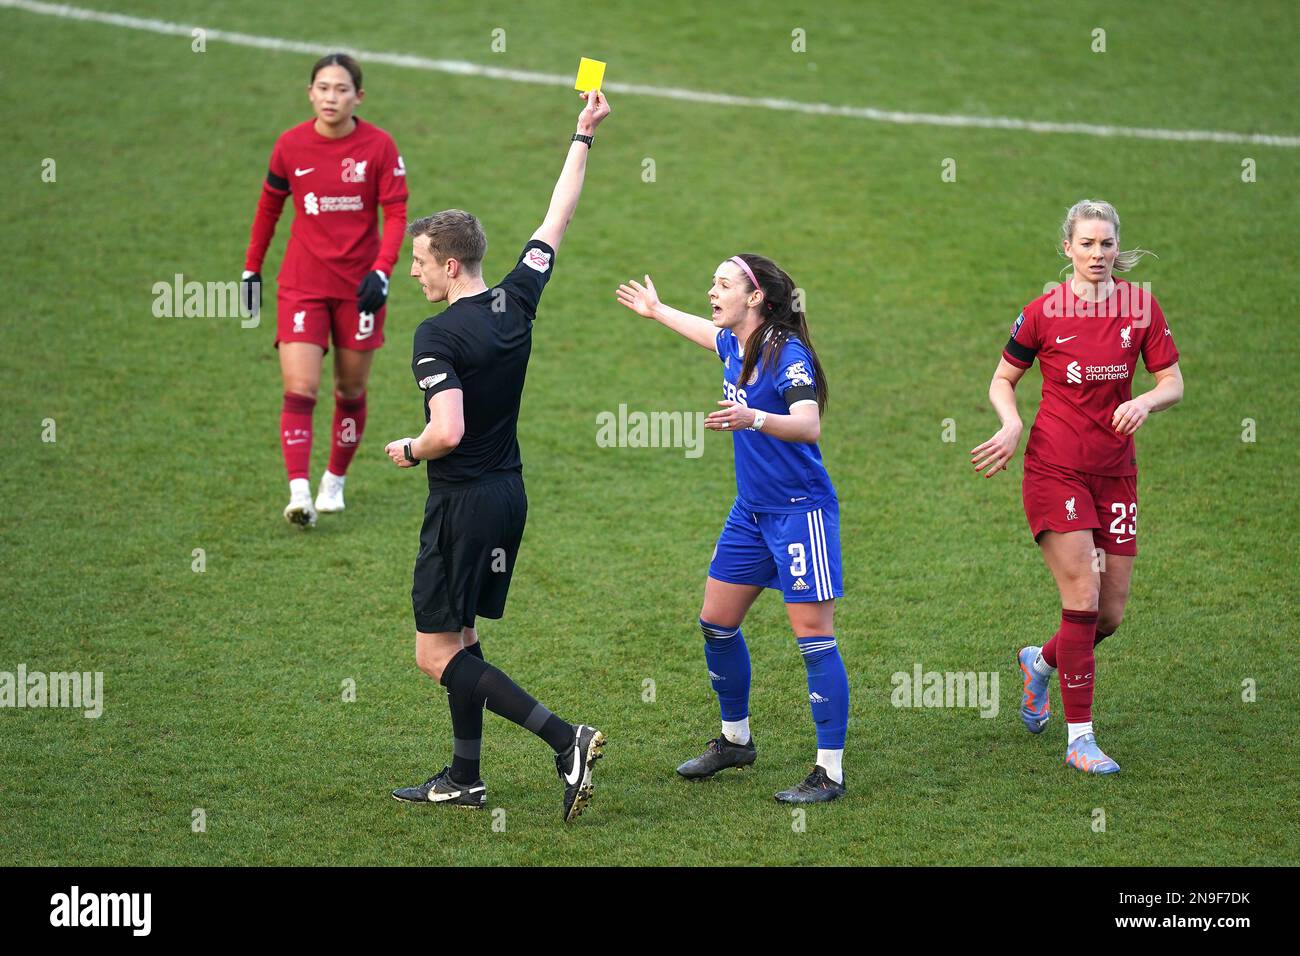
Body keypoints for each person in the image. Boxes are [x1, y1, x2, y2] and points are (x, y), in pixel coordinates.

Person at [384, 90, 612, 823]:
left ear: (450, 266)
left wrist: (409, 448)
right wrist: (582, 136)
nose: (413, 272)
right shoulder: (518, 299)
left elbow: (445, 430)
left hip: (462, 502)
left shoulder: (437, 336)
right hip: (509, 496)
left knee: (433, 652)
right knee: (466, 636)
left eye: (420, 261)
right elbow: (557, 219)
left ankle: (564, 738)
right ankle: (465, 776)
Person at [615, 256, 849, 803]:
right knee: (716, 623)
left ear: (756, 297)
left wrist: (754, 419)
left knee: (814, 640)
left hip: (800, 514)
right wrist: (656, 311)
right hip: (751, 512)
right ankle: (735, 740)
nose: (711, 292)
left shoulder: (787, 355)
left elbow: (810, 424)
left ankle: (829, 771)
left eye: (723, 285)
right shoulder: (735, 342)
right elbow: (707, 335)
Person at [971, 199, 1183, 775]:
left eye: (1106, 244)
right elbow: (1002, 378)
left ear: (1118, 248)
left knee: (1108, 615)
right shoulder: (1043, 312)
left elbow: (1173, 382)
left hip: (1116, 472)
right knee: (1083, 596)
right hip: (1055, 467)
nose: (1097, 254)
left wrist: (1144, 399)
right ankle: (1081, 739)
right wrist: (1010, 421)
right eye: (1086, 244)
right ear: (1067, 248)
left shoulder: (1141, 309)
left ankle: (1039, 664)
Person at [242, 53, 408, 528]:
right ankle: (299, 493)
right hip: (302, 285)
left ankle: (334, 481)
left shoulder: (379, 146)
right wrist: (251, 270)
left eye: (341, 88)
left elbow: (396, 213)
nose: (331, 96)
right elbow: (268, 209)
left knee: (349, 388)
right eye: (322, 87)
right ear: (310, 93)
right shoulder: (289, 146)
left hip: (360, 287)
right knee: (301, 389)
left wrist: (382, 271)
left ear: (358, 96)